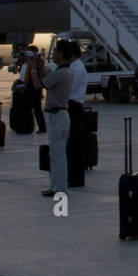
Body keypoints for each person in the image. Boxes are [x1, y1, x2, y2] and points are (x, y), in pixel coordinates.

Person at [39, 41, 73, 197]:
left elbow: (38, 85)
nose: (53, 54)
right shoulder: (65, 71)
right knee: (58, 153)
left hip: (57, 116)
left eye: (55, 51)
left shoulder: (61, 73)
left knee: (57, 154)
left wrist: (34, 70)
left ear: (61, 53)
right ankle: (58, 185)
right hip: (61, 115)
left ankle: (59, 188)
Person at [65, 40, 87, 187]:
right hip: (72, 105)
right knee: (72, 144)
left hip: (74, 106)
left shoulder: (77, 69)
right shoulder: (74, 67)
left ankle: (76, 177)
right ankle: (73, 176)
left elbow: (70, 89)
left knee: (75, 144)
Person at [20, 46, 46, 134]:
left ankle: (41, 127)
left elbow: (40, 74)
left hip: (34, 88)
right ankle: (29, 125)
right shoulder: (27, 63)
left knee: (36, 108)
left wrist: (33, 65)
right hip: (29, 87)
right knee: (32, 108)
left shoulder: (38, 62)